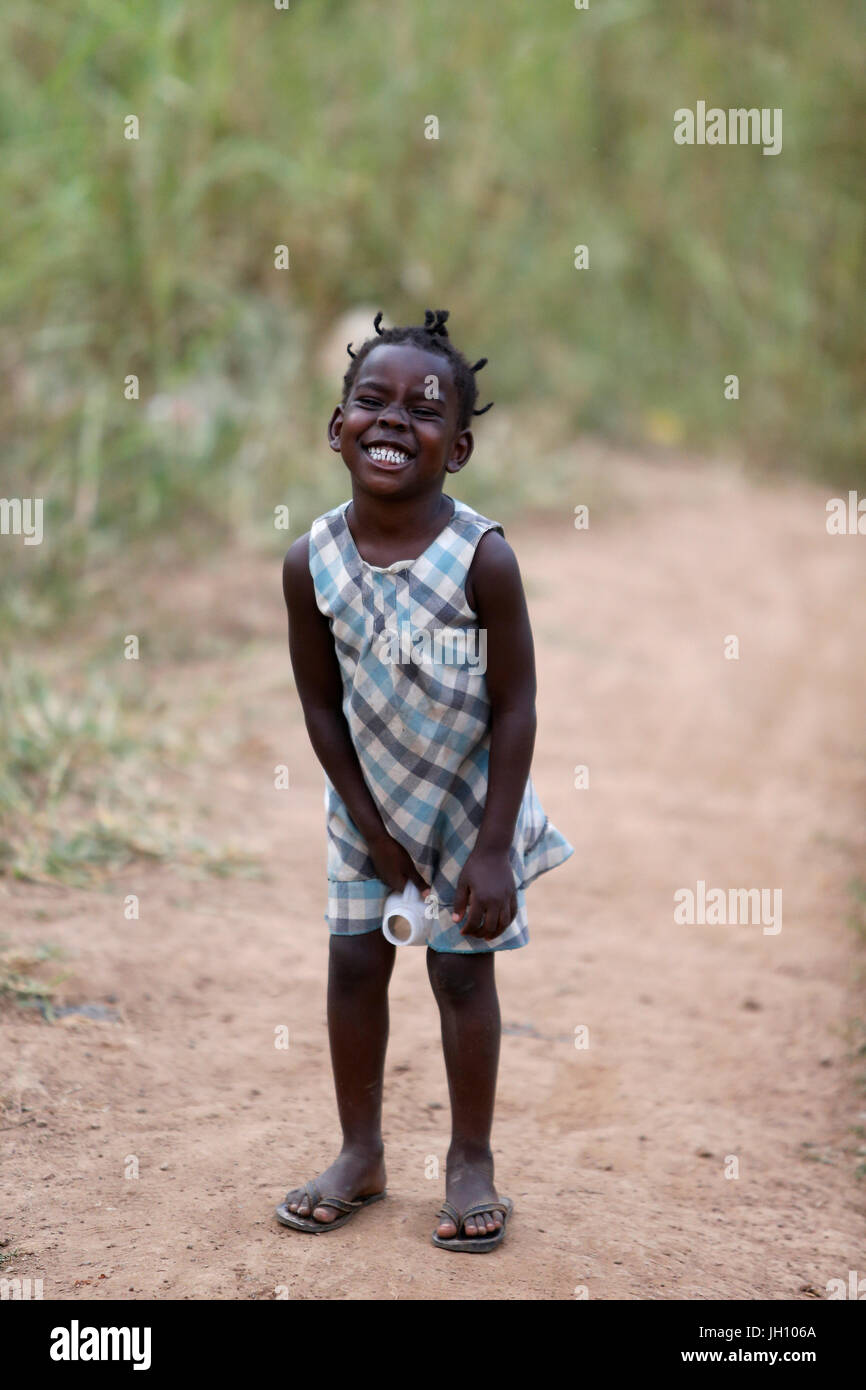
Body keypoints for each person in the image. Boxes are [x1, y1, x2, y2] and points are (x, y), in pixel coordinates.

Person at [276, 309, 573, 1251]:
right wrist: (371, 830)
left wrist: (493, 851)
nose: (394, 421)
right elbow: (320, 707)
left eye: (425, 409)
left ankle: (470, 1163)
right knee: (355, 963)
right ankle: (360, 1154)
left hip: (467, 808)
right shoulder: (311, 561)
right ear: (338, 427)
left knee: (460, 973)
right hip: (365, 804)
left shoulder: (483, 559)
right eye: (373, 401)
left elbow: (517, 706)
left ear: (460, 447)